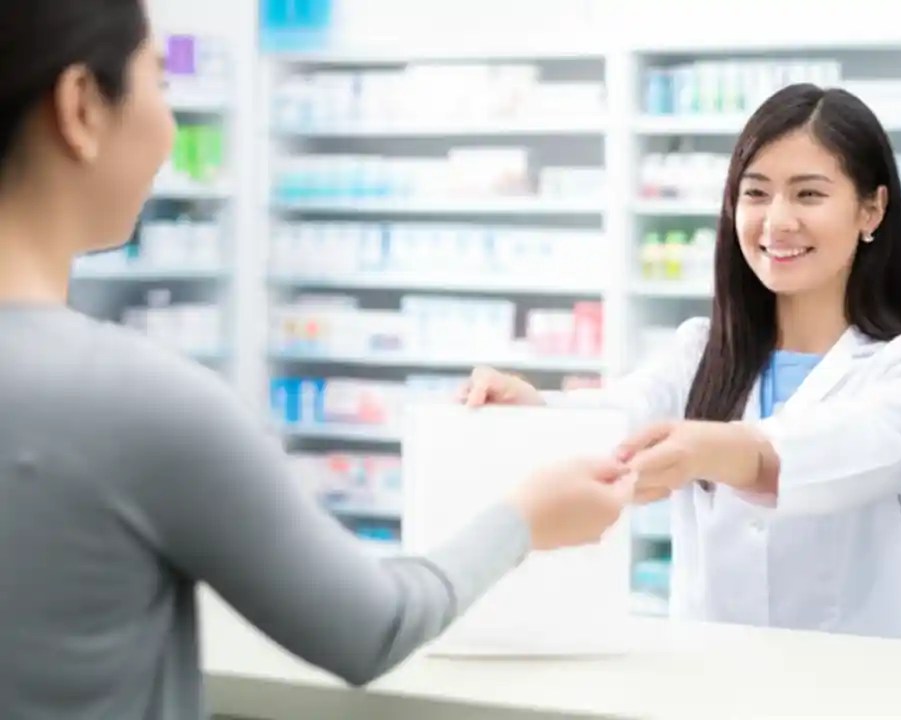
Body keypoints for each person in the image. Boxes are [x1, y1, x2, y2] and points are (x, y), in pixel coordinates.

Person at [0, 2, 633, 718]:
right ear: (81, 106)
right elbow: (370, 627)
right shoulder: (134, 400)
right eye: (160, 84)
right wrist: (525, 518)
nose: (171, 129)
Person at [463, 83, 901, 641]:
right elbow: (619, 414)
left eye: (809, 195)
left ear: (871, 209)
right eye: (756, 193)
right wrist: (535, 408)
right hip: (712, 686)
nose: (777, 221)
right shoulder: (701, 351)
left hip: (855, 693)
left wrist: (712, 450)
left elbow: (860, 446)